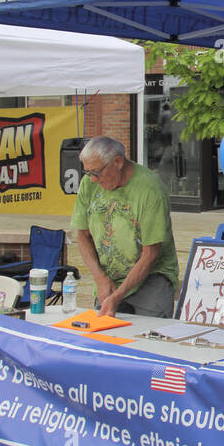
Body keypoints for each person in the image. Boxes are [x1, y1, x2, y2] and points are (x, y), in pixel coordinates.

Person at [71, 135, 179, 318]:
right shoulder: (89, 184)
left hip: (151, 278)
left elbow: (151, 253)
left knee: (147, 339)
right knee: (105, 337)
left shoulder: (150, 189)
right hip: (109, 278)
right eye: (88, 172)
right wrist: (99, 277)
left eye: (96, 172)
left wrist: (118, 296)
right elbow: (82, 235)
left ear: (118, 162)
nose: (93, 179)